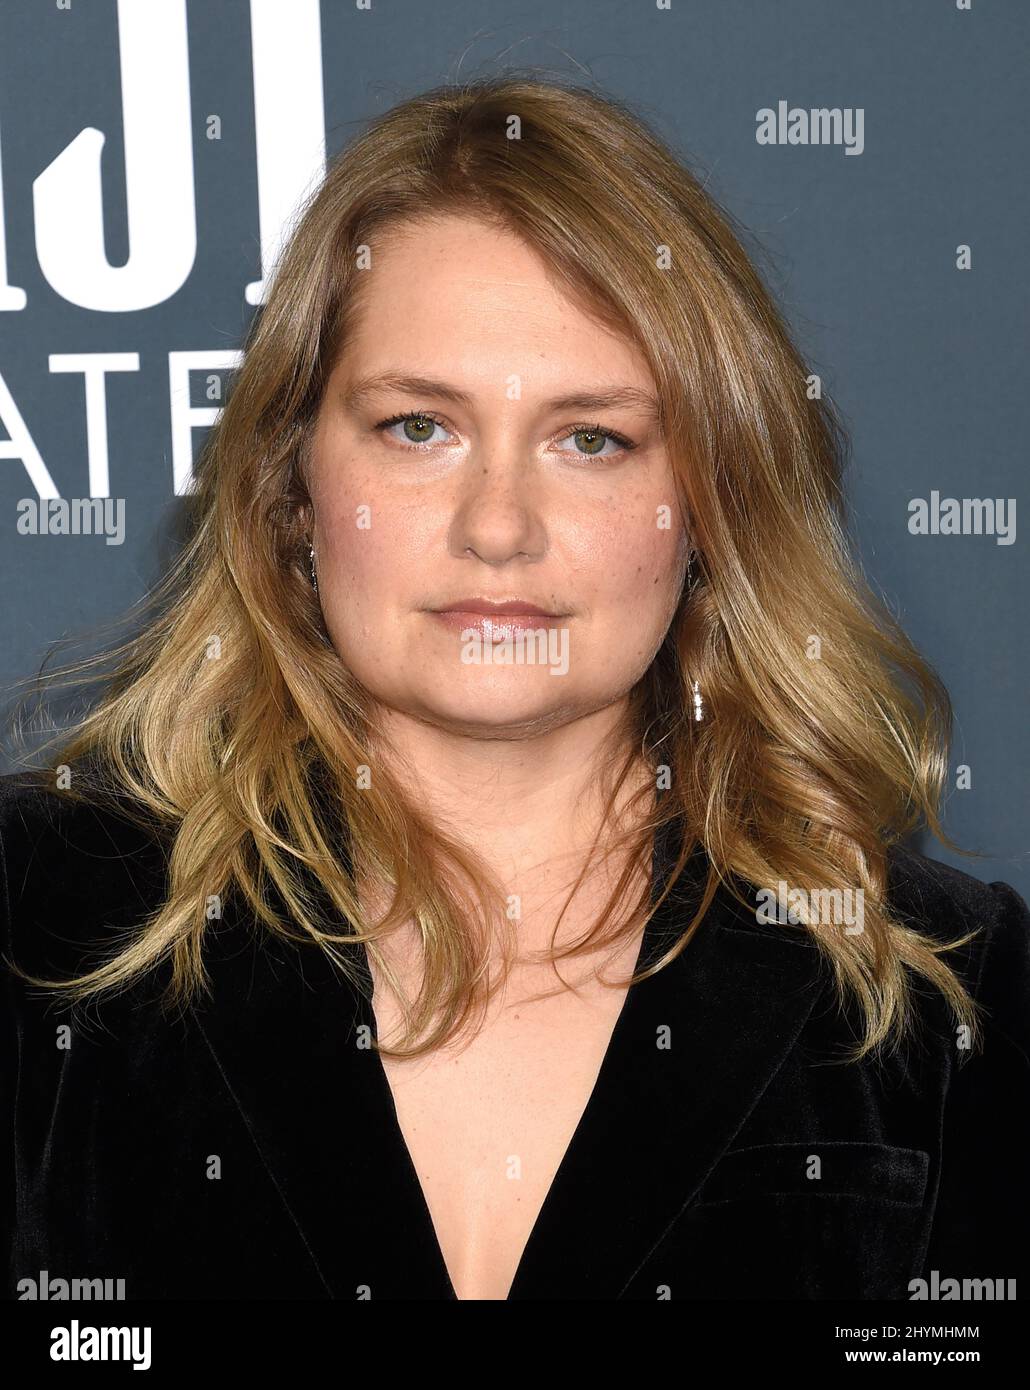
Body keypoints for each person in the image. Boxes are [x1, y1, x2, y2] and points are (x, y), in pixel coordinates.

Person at [2, 77, 1027, 1303]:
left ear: (707, 508)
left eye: (590, 438)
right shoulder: (37, 916)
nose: (498, 528)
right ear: (290, 486)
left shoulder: (951, 992)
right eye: (417, 427)